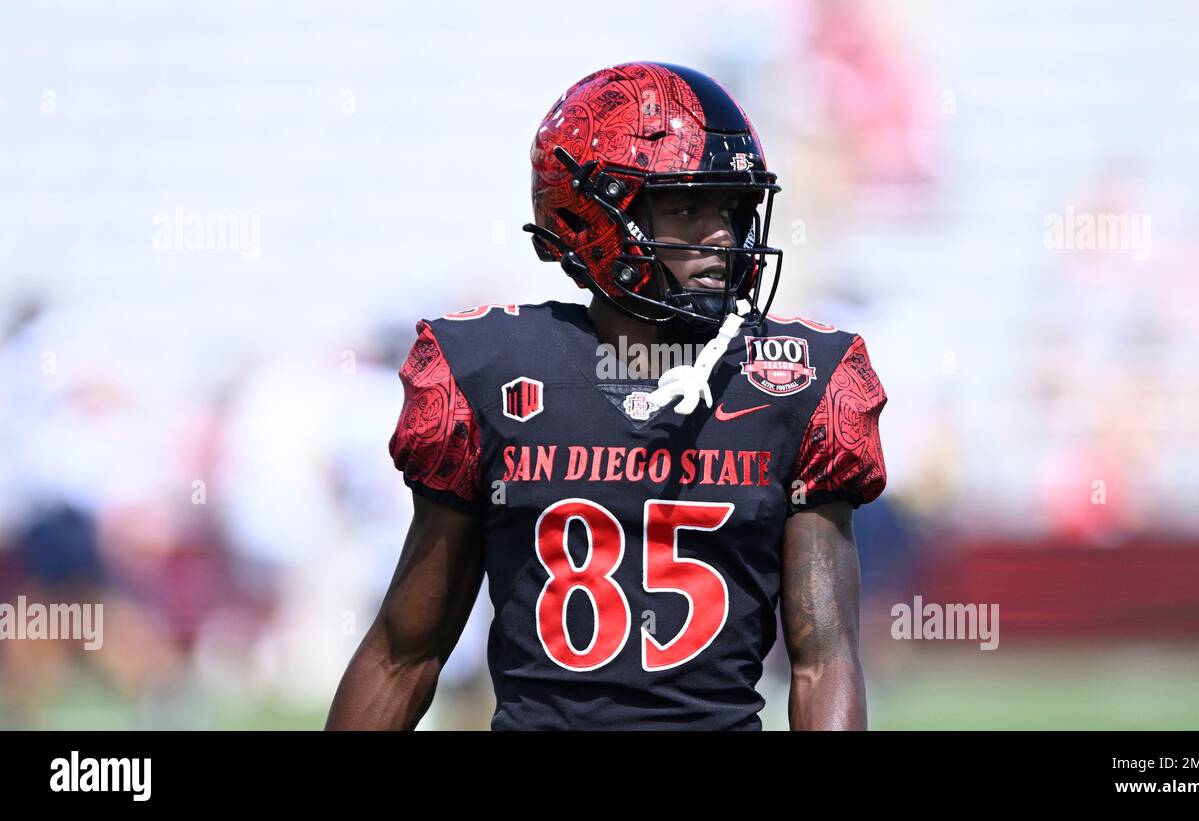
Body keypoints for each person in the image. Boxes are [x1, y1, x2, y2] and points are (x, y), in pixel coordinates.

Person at [326, 62, 888, 730]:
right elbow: (404, 653)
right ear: (597, 216)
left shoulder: (796, 379)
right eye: (685, 207)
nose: (721, 236)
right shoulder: (491, 374)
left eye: (730, 208)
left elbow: (824, 659)